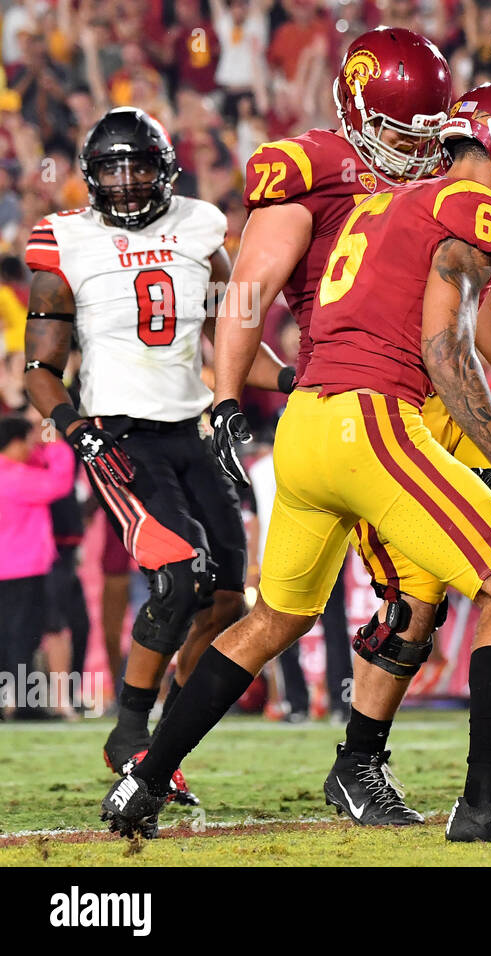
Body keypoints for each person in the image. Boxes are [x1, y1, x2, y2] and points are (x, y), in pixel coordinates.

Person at [101, 86, 491, 843]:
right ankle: (486, 804)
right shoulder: (465, 205)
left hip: (305, 426)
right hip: (372, 421)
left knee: (275, 618)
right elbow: (444, 348)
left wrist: (233, 395)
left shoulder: (375, 206)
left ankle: (142, 780)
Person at [221, 34, 491, 826]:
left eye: (423, 131)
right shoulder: (315, 170)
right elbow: (251, 291)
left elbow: (474, 302)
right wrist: (228, 394)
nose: (412, 147)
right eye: (401, 130)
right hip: (381, 399)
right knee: (414, 597)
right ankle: (359, 762)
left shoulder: (442, 189)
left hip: (448, 391)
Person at [23, 107, 290, 802]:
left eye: (139, 164)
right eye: (112, 168)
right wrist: (73, 426)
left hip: (190, 431)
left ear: (165, 169)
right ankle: (129, 731)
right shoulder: (65, 239)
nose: (128, 180)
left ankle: (167, 738)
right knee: (176, 574)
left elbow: (231, 341)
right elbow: (38, 369)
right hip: (117, 433)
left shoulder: (200, 227)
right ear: (91, 177)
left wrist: (297, 377)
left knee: (229, 596)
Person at [0, 411, 75, 717]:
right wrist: (56, 443)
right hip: (24, 569)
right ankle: (24, 705)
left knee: (7, 636)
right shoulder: (16, 478)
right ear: (16, 443)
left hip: (8, 569)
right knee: (23, 636)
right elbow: (59, 482)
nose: (34, 448)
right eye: (29, 442)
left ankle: (15, 702)